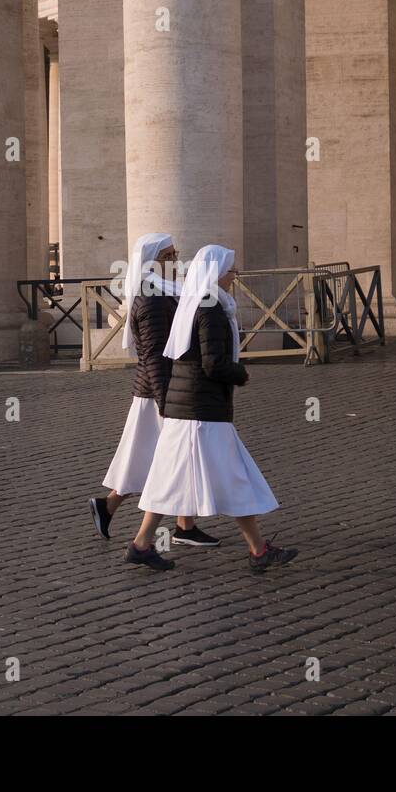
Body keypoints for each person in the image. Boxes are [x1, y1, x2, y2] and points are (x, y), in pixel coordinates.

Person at [126, 245, 298, 573]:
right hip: (201, 412)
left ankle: (141, 544)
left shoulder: (194, 303)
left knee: (170, 480)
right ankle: (259, 551)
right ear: (218, 272)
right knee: (233, 477)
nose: (236, 275)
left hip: (188, 409)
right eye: (232, 269)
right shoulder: (212, 308)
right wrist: (241, 374)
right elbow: (213, 363)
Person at [90, 234, 219, 547]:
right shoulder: (151, 298)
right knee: (164, 459)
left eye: (176, 254)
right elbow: (153, 353)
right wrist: (165, 401)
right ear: (153, 260)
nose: (175, 261)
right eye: (169, 256)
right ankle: (125, 517)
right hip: (158, 392)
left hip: (166, 390)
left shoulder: (164, 291)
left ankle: (181, 525)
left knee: (162, 458)